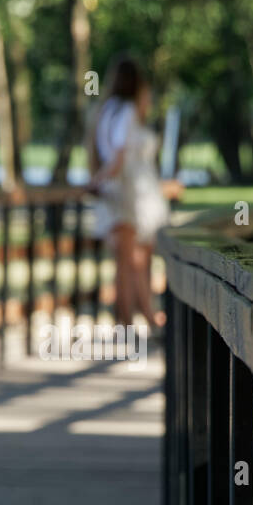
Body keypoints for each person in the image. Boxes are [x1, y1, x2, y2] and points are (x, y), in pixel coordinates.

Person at [87, 56, 169, 329]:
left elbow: (102, 151)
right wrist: (100, 179)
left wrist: (97, 180)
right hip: (126, 192)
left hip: (114, 191)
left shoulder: (106, 109)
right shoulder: (126, 112)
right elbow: (119, 158)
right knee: (129, 262)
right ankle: (129, 321)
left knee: (125, 261)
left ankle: (134, 318)